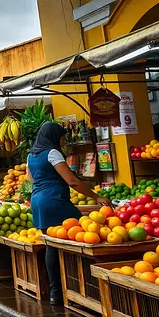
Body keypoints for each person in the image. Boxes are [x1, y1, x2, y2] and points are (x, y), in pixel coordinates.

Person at [27, 122, 110, 305]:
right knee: (85, 234)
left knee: (51, 244)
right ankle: (87, 289)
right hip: (55, 201)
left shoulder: (31, 155)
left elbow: (31, 179)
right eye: (62, 136)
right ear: (54, 136)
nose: (64, 140)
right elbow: (72, 181)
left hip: (37, 201)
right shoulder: (52, 152)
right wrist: (95, 196)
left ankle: (55, 292)